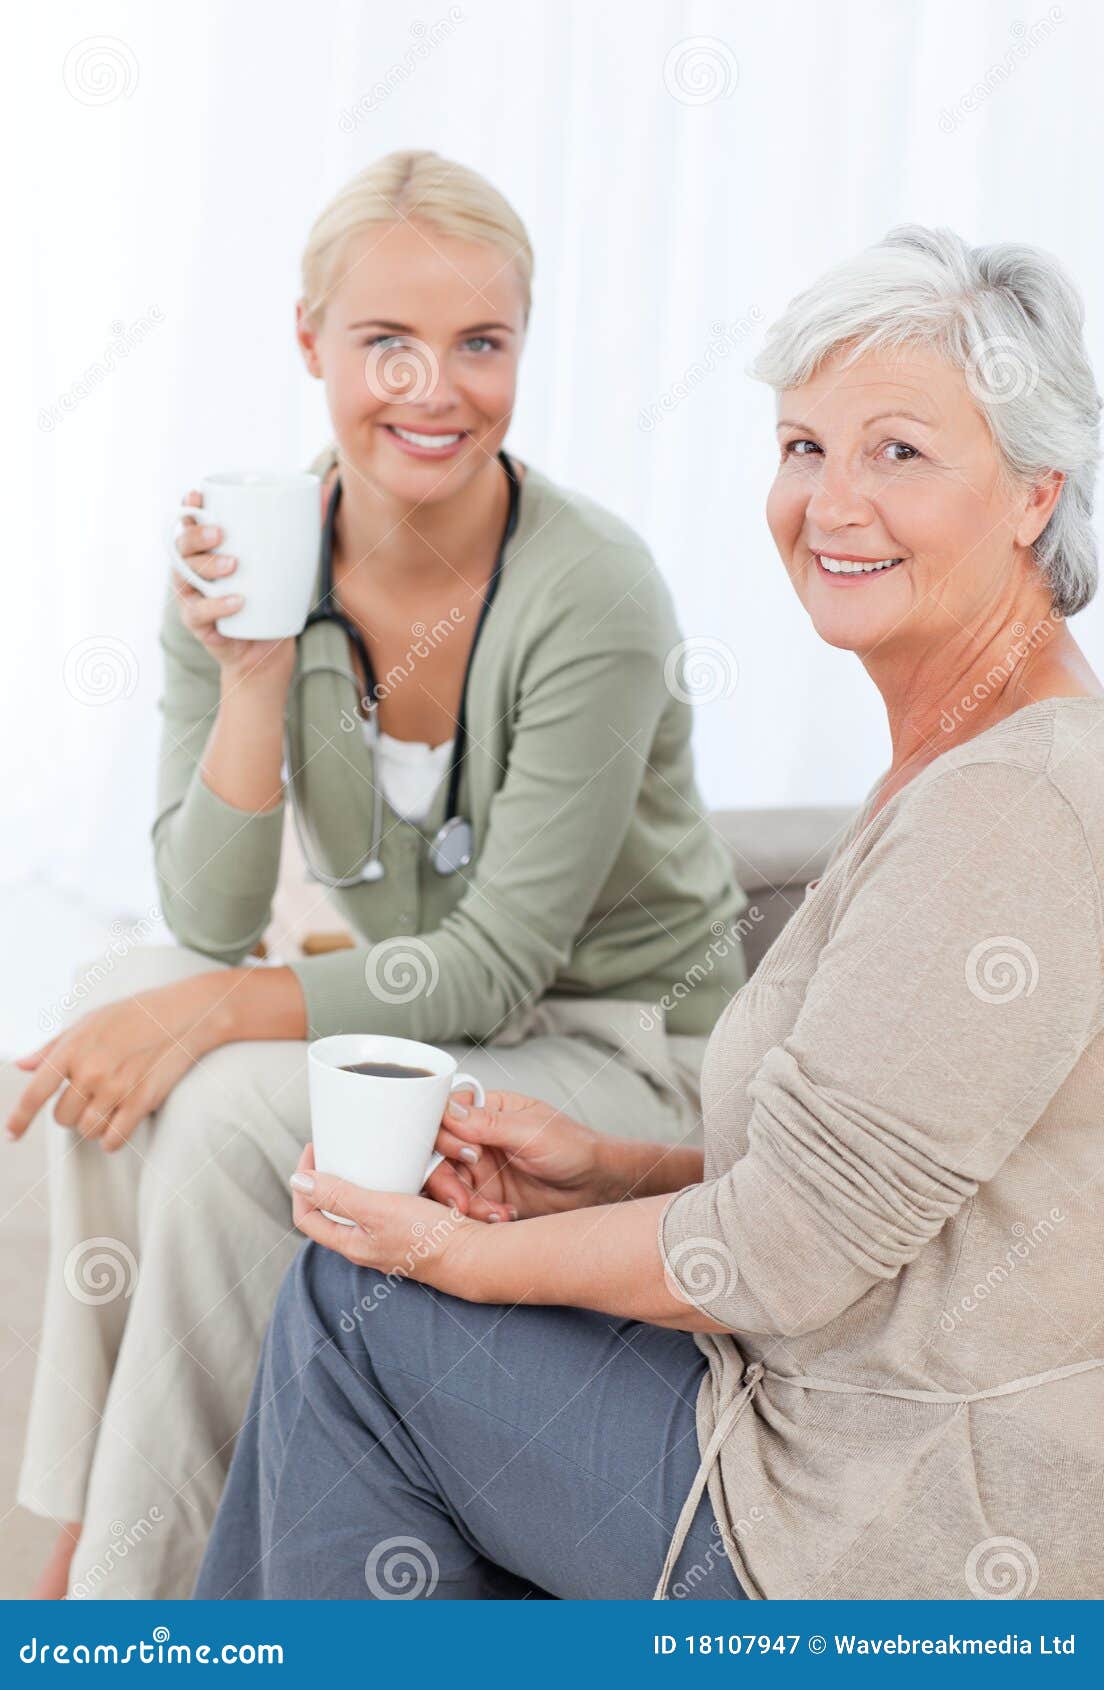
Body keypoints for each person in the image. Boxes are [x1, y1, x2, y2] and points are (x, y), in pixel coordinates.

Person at [198, 224, 1103, 1601]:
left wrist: (458, 1251)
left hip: (874, 1533)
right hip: (844, 1440)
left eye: (898, 452)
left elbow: (787, 1251)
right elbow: (875, 1184)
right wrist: (610, 1171)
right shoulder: (966, 765)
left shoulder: (1016, 805)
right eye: (804, 446)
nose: (831, 502)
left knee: (362, 1306)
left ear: (1036, 493)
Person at [11, 150, 745, 1600]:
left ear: (523, 350)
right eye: (386, 344)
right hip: (448, 1025)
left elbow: (493, 968)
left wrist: (219, 1015)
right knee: (112, 1009)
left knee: (219, 1099)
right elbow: (206, 919)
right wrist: (250, 679)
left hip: (615, 1047)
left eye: (481, 344)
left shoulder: (591, 587)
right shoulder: (251, 551)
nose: (435, 391)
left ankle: (134, 1609)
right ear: (309, 344)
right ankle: (93, 1532)